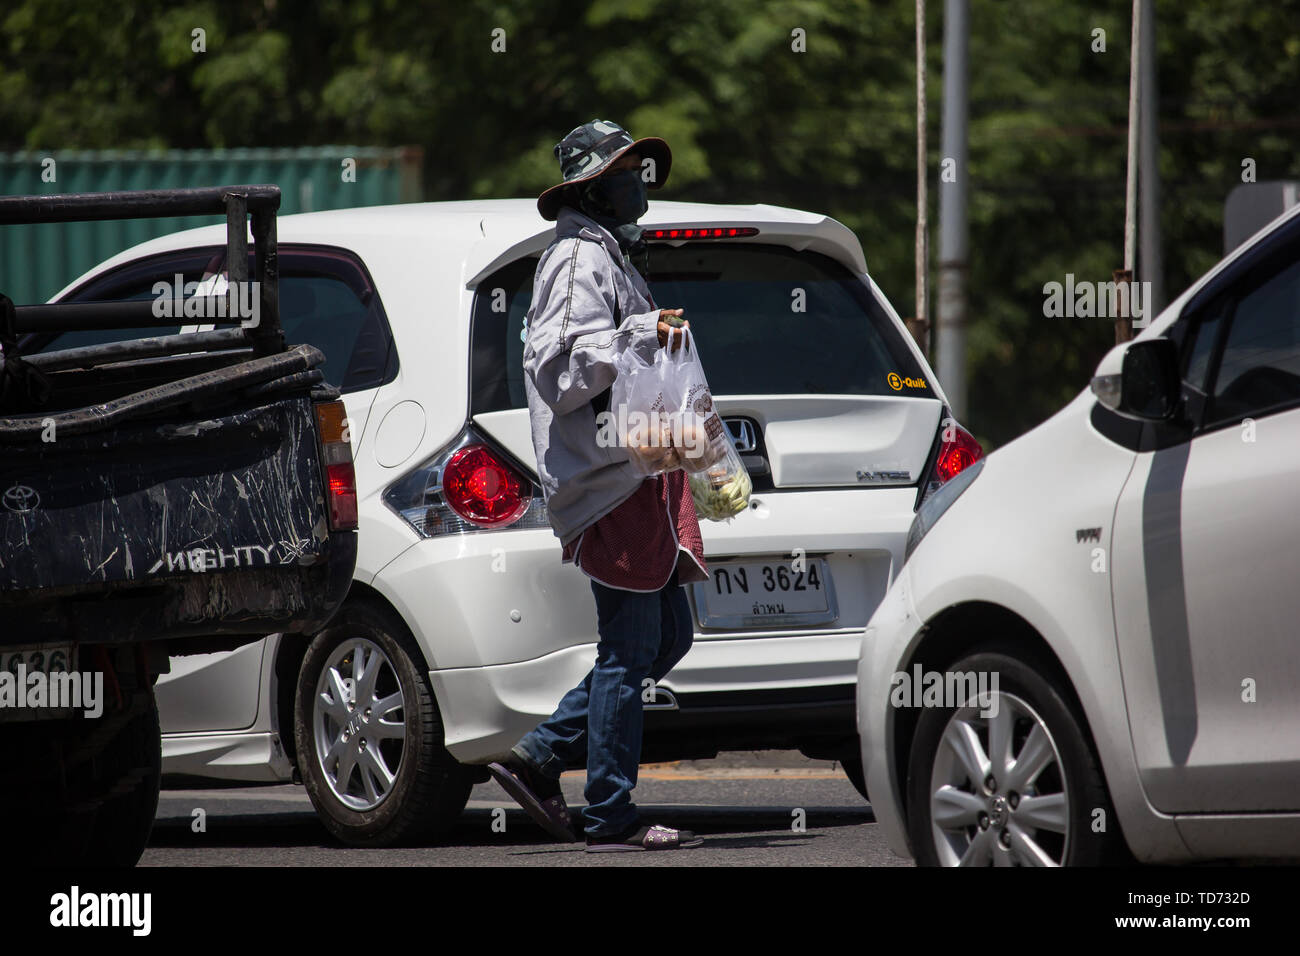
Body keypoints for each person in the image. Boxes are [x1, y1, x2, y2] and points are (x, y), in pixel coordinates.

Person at [487, 119, 708, 852]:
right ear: (593, 189)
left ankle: (544, 752)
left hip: (631, 475)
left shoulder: (607, 257)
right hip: (605, 484)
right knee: (630, 646)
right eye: (626, 170)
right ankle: (610, 811)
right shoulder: (579, 262)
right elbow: (560, 368)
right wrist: (642, 336)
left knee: (667, 633)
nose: (639, 180)